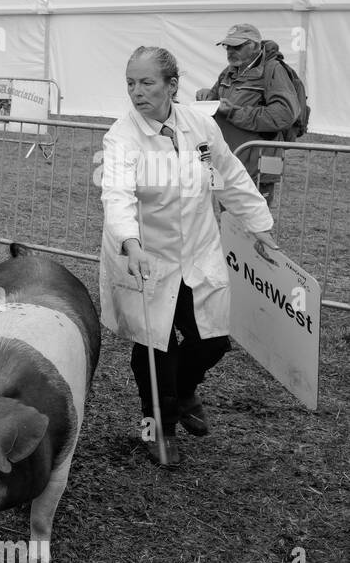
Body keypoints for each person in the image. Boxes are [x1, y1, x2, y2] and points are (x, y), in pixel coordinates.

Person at [100, 46, 279, 468]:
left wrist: (261, 227)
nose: (137, 92)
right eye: (131, 83)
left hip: (197, 250)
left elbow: (229, 177)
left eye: (147, 83)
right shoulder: (121, 137)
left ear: (172, 86)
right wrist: (130, 243)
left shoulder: (200, 126)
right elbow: (117, 194)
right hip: (144, 254)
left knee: (212, 340)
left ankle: (181, 395)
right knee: (154, 345)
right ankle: (156, 427)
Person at [194, 23, 300, 206]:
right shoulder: (229, 71)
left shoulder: (274, 69)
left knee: (254, 225)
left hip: (257, 164)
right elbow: (217, 98)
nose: (230, 51)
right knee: (231, 219)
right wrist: (208, 96)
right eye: (228, 46)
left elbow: (284, 114)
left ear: (255, 46)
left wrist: (234, 112)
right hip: (231, 160)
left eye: (237, 46)